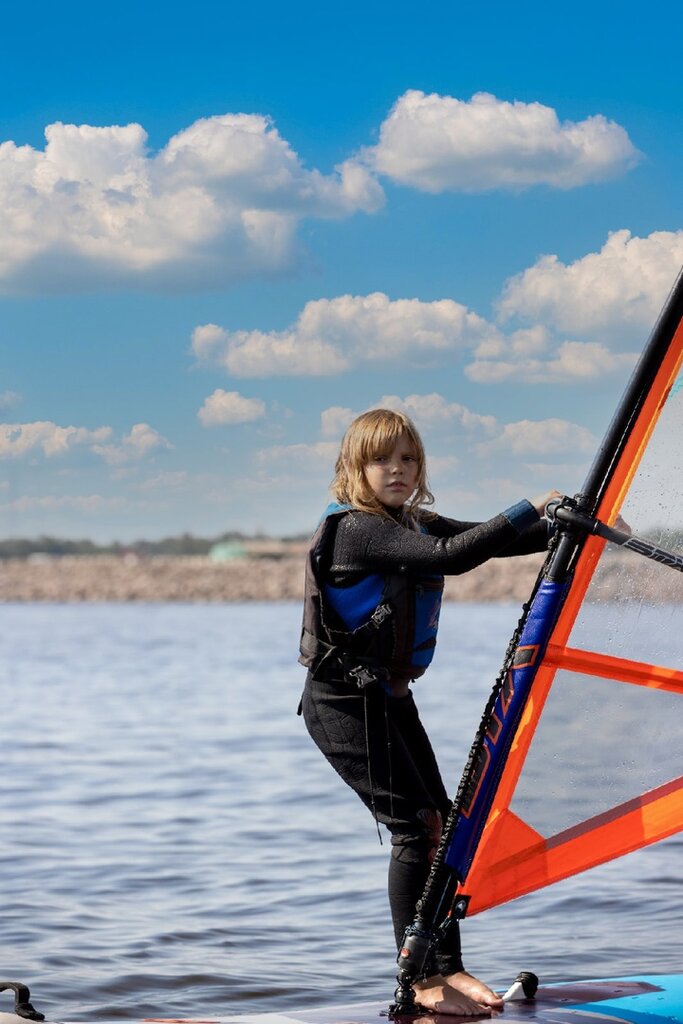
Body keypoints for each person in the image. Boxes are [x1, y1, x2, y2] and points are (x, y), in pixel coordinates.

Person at [299, 409, 559, 1016]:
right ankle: (418, 981)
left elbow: (499, 541)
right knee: (416, 829)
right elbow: (452, 555)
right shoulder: (358, 530)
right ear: (354, 469)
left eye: (408, 458)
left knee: (440, 823)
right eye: (381, 459)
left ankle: (451, 968)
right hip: (342, 704)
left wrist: (566, 524)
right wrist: (528, 504)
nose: (397, 470)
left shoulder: (409, 521)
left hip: (387, 698)